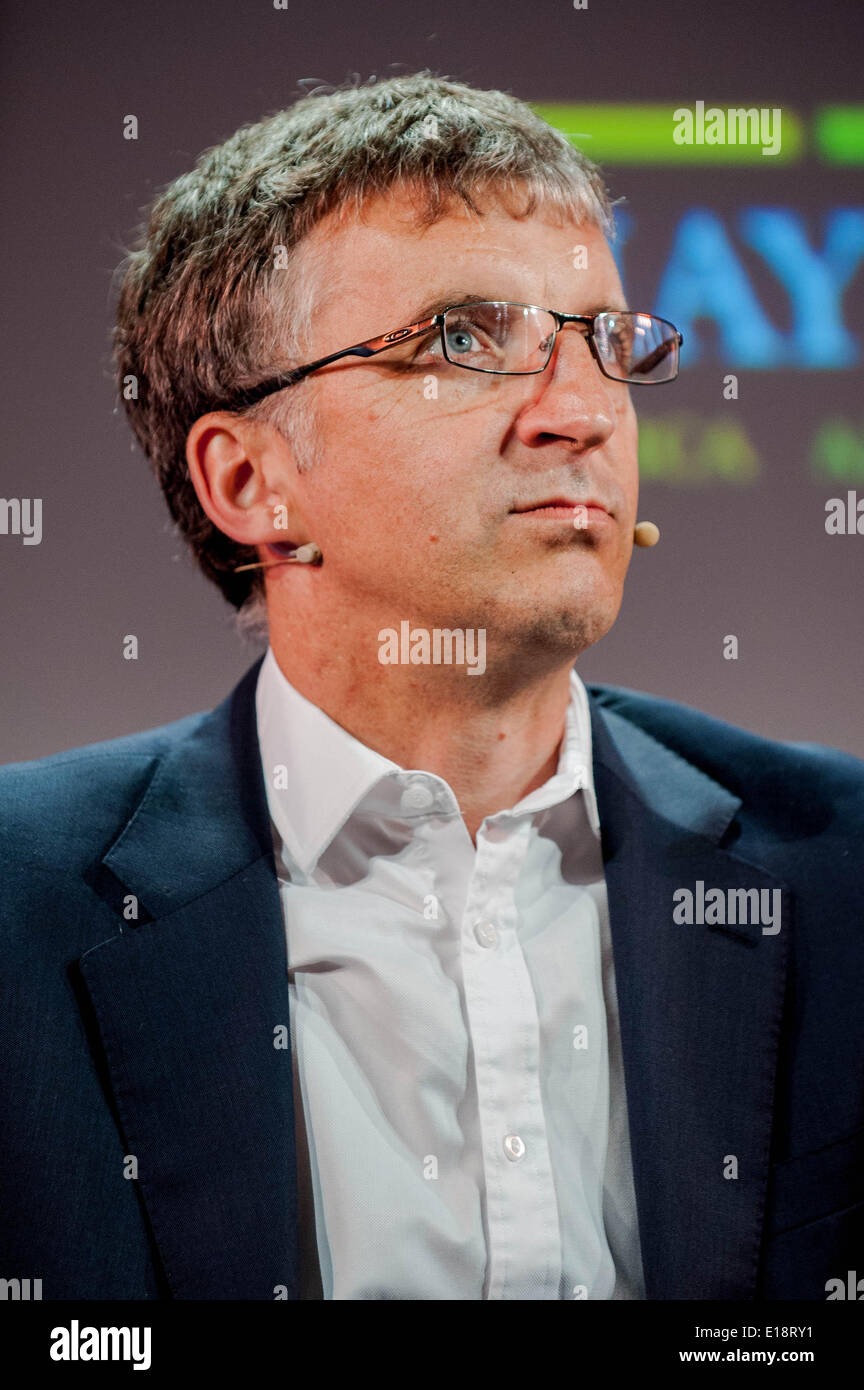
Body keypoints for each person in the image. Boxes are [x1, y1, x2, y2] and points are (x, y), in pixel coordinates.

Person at [1, 73, 862, 1302]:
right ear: (249, 482)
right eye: (464, 338)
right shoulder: (18, 911)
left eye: (605, 342)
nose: (582, 415)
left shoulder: (842, 873)